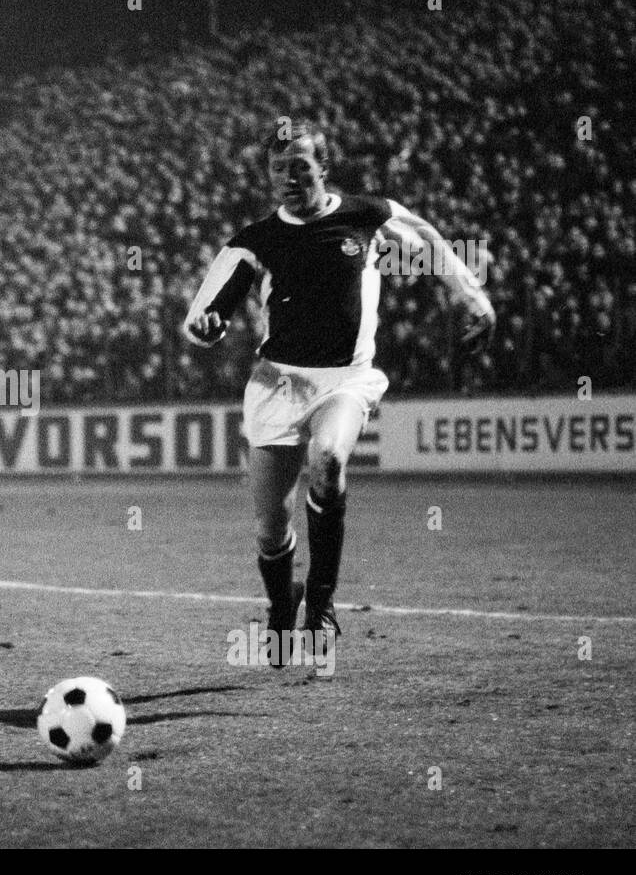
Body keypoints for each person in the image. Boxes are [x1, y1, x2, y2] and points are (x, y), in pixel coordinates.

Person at [183, 121, 495, 662]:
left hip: (347, 378)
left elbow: (427, 242)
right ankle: (283, 608)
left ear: (323, 168)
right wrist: (207, 328)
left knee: (328, 460)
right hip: (277, 384)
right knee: (269, 526)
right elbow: (206, 309)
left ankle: (321, 605)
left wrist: (473, 298)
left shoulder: (365, 216)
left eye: (300, 165)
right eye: (278, 167)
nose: (288, 176)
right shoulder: (257, 239)